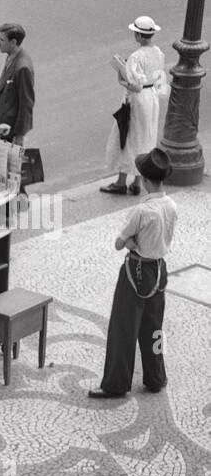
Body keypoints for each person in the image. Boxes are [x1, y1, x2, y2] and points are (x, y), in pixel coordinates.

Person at [89, 149, 177, 400]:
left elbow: (119, 243)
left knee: (123, 327)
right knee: (155, 327)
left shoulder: (141, 211)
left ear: (147, 181)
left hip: (136, 271)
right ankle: (156, 377)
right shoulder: (171, 205)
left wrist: (131, 243)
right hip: (159, 269)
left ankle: (116, 384)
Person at [102, 16, 168, 196]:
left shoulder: (136, 57)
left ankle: (121, 182)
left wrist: (121, 77)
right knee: (145, 139)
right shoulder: (158, 53)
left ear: (139, 35)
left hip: (137, 100)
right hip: (151, 98)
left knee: (127, 137)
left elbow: (134, 85)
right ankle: (138, 181)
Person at [0, 22, 35, 146]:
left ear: (13, 42)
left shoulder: (22, 68)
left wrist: (20, 134)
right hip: (2, 124)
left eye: (2, 40)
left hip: (10, 130)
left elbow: (26, 103)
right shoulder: (11, 57)